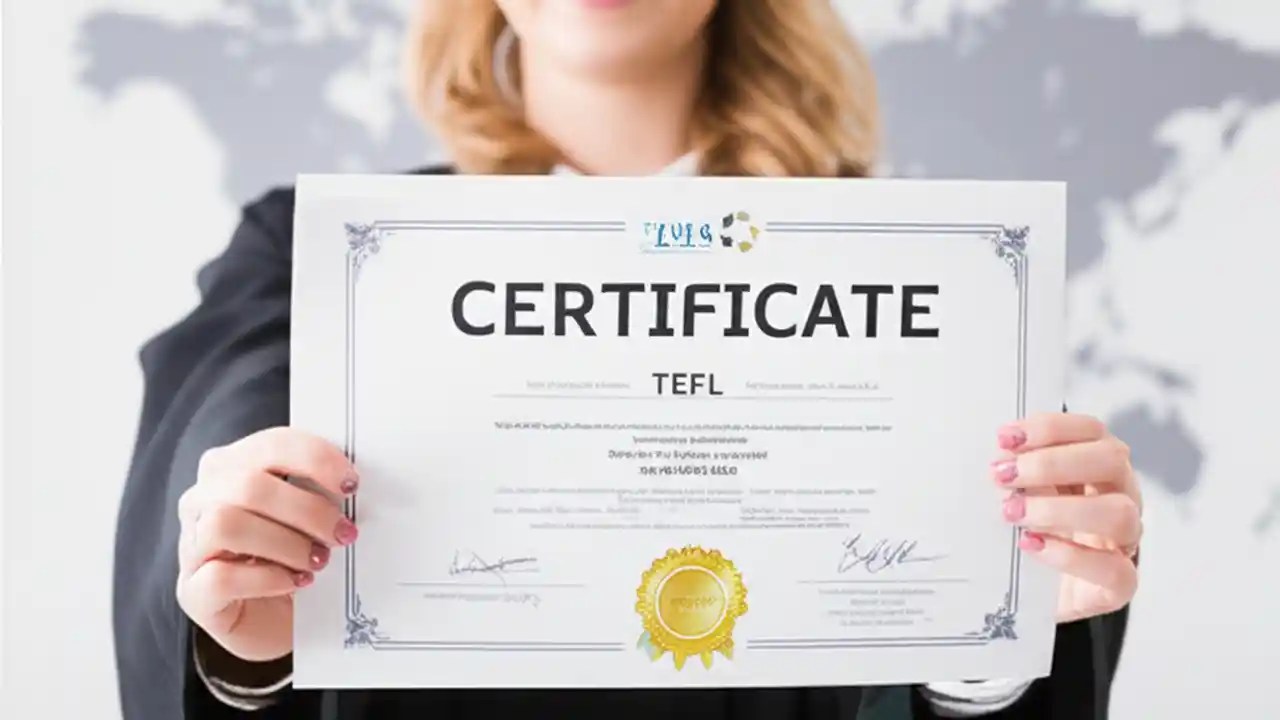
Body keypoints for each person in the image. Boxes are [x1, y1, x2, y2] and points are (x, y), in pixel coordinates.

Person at [112, 1, 1142, 718]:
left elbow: (970, 643)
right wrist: (241, 645)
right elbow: (209, 531)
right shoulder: (315, 264)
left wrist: (989, 650)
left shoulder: (919, 275)